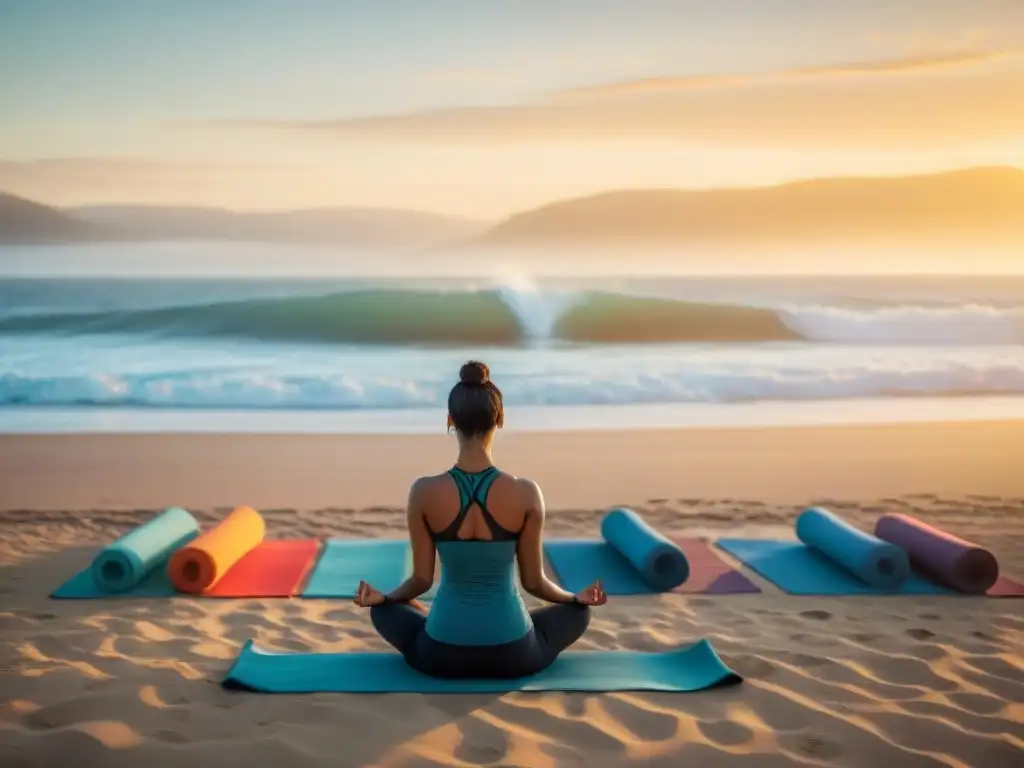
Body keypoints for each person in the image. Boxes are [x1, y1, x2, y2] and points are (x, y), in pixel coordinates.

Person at [353, 360, 606, 679]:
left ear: (450, 420)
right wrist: (574, 598)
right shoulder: (527, 492)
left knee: (384, 609)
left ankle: (424, 617)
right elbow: (534, 582)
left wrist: (386, 598)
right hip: (513, 654)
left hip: (440, 655)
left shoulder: (424, 491)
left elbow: (421, 581)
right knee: (578, 614)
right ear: (500, 419)